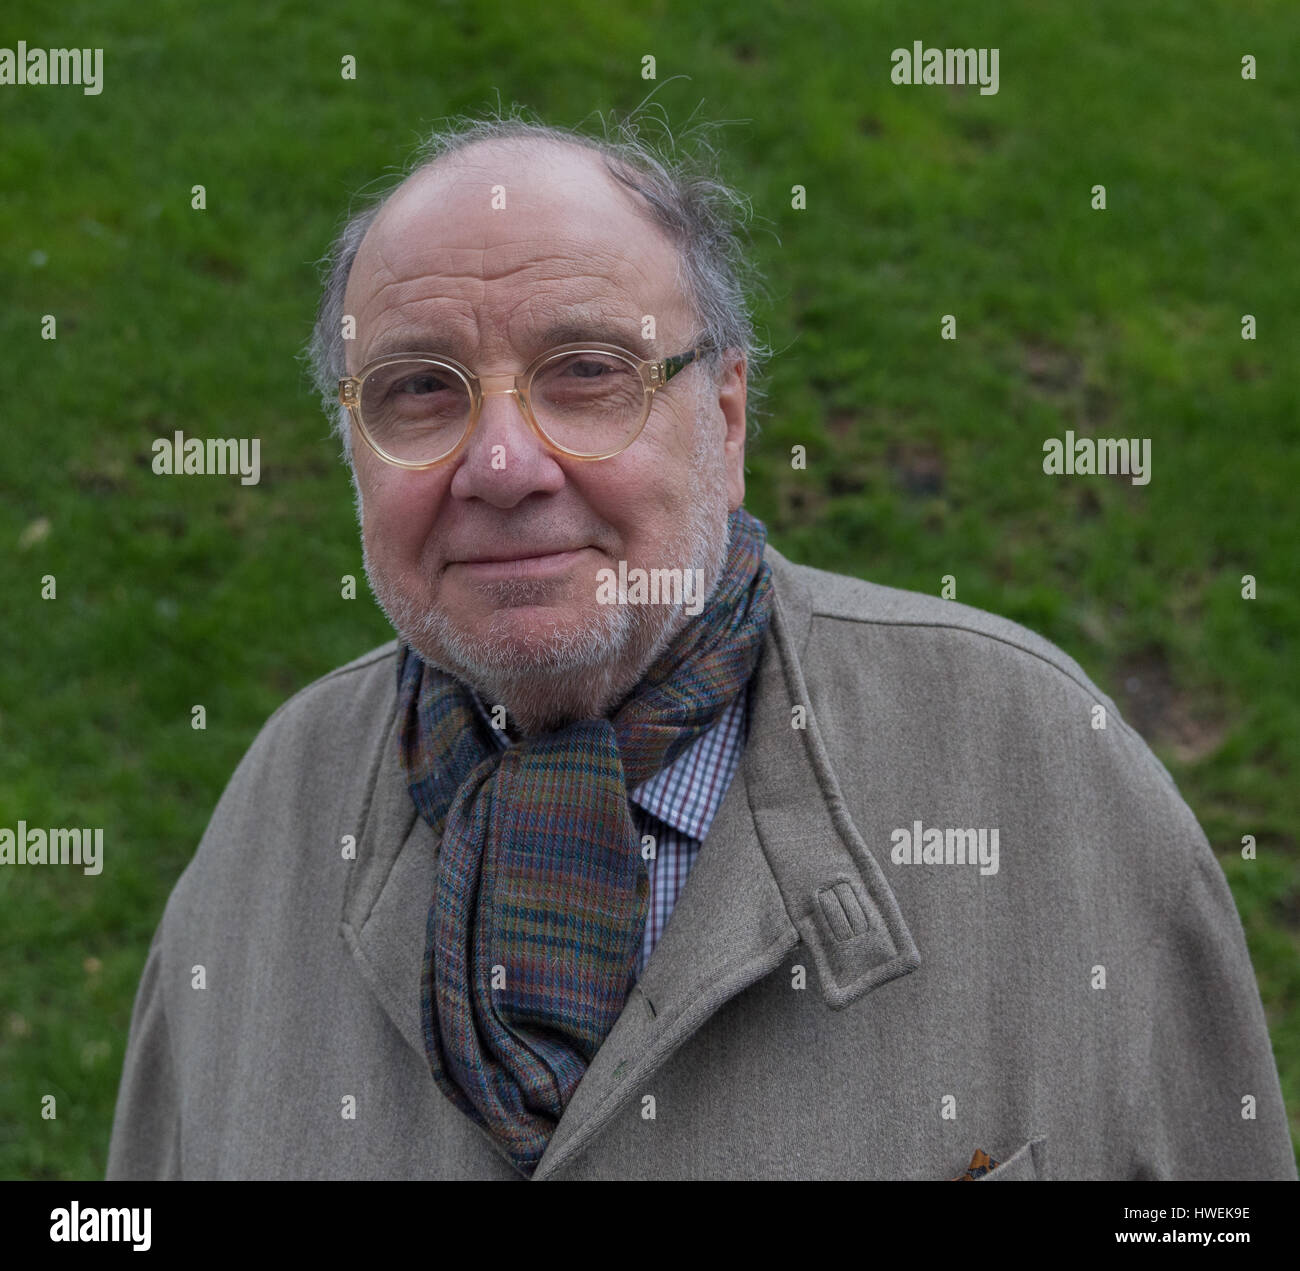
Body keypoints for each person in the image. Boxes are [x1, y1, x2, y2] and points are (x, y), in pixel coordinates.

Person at [106, 111, 1297, 1181]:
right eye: (419, 389)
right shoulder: (272, 814)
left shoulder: (1042, 767)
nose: (504, 465)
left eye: (587, 373)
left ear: (724, 418)